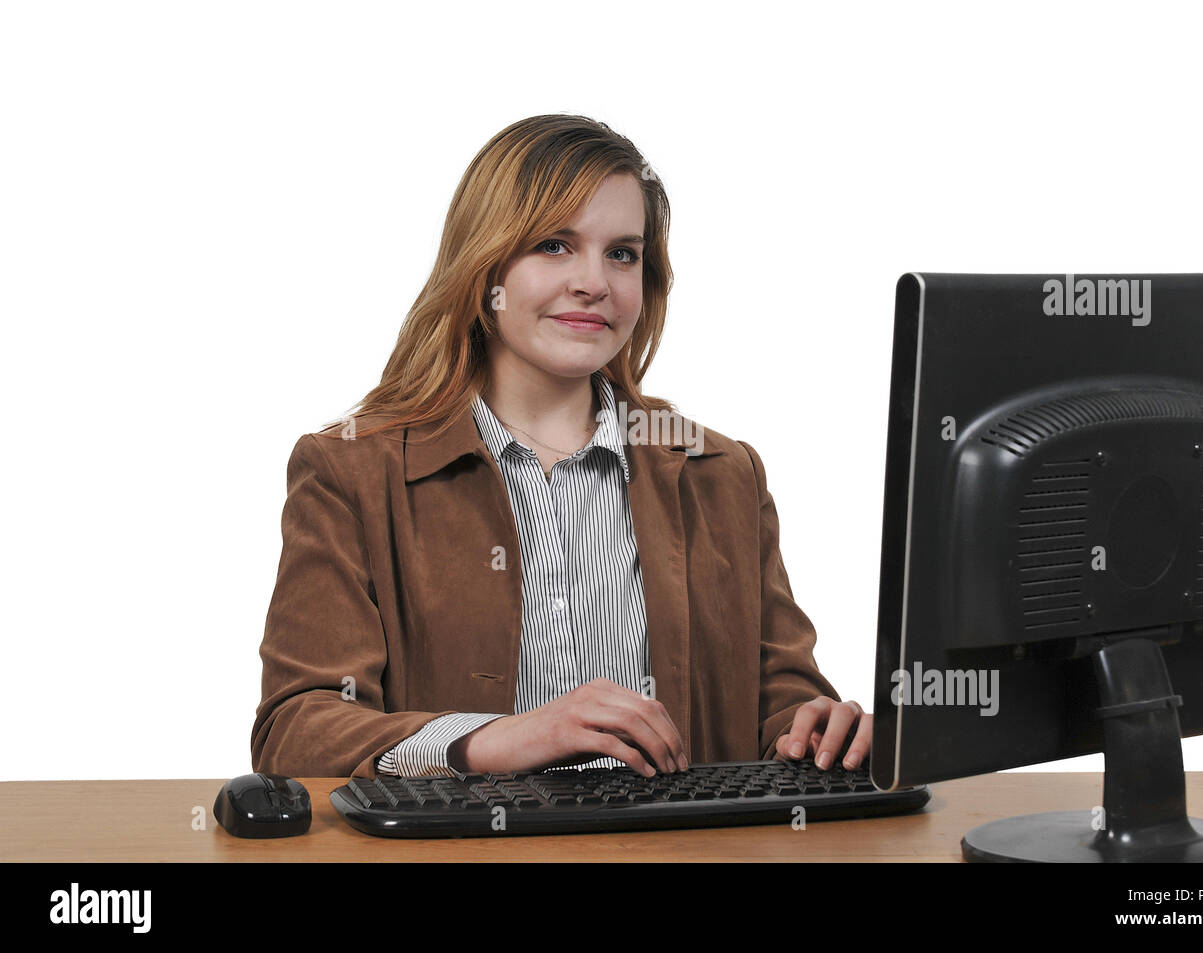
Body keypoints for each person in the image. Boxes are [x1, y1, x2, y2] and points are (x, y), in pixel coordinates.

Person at [252, 114, 871, 780]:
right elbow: (298, 730)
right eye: (554, 245)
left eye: (623, 253)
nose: (593, 282)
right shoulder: (350, 471)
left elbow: (783, 703)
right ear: (484, 263)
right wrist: (498, 738)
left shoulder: (721, 475)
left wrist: (820, 729)